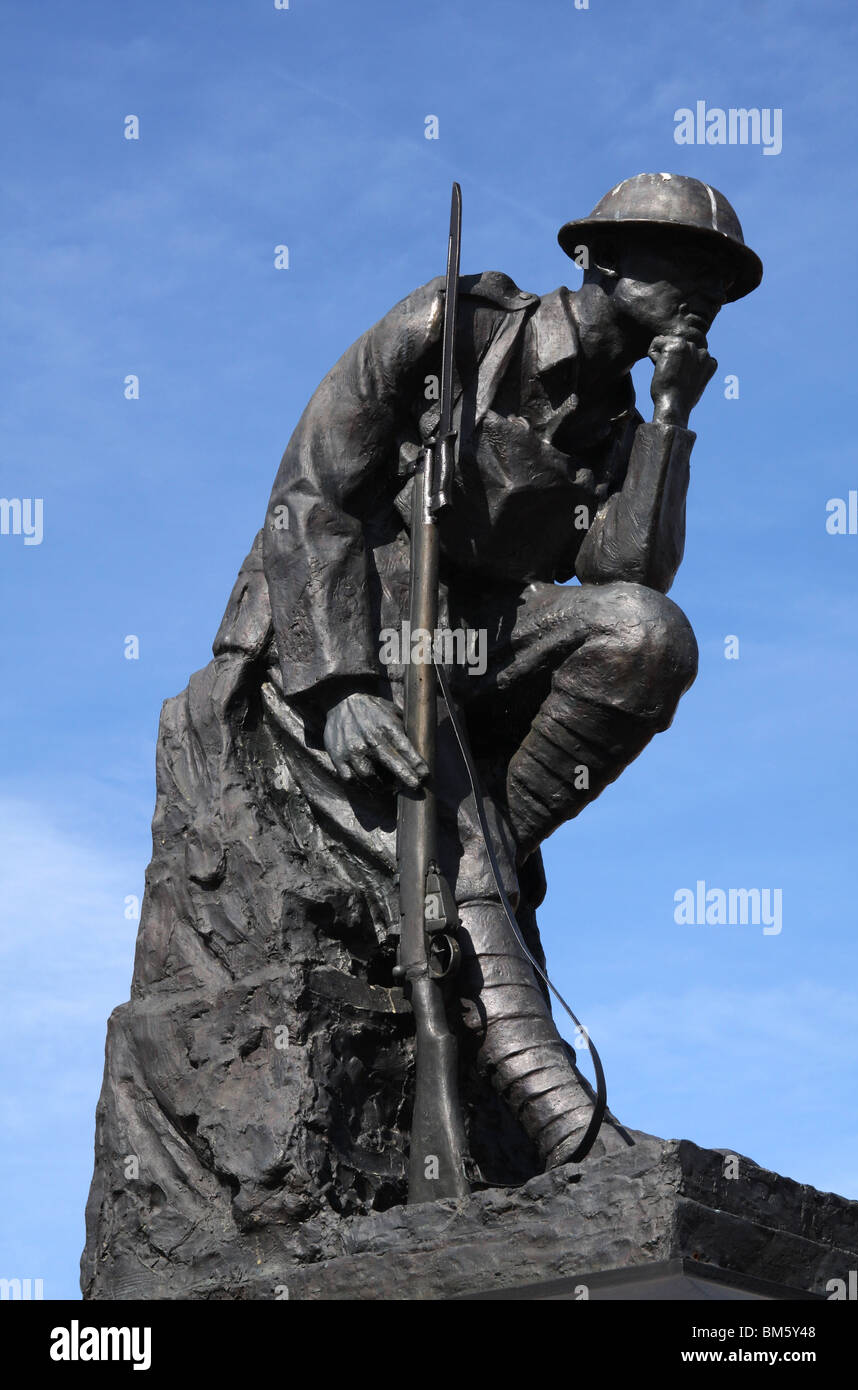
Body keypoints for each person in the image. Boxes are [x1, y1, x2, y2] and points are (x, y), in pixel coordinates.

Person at [255, 172, 763, 1167]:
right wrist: (342, 683)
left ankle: (471, 850)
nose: (701, 289)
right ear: (597, 258)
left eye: (719, 276)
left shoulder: (621, 415)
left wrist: (664, 421)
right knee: (465, 825)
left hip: (483, 641)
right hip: (369, 625)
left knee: (648, 635)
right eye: (681, 261)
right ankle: (556, 1111)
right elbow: (309, 493)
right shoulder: (457, 325)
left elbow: (628, 575)